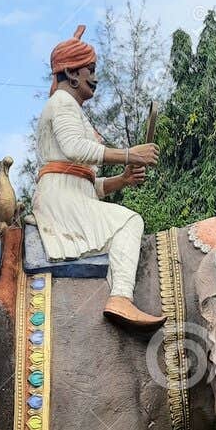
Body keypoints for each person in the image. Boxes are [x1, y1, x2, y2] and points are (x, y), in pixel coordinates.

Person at [32, 26, 163, 330]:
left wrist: (123, 179)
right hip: (59, 201)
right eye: (90, 70)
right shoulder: (62, 102)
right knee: (130, 221)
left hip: (69, 196)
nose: (95, 77)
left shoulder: (72, 108)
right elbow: (76, 149)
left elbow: (86, 183)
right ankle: (120, 297)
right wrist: (131, 154)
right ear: (72, 74)